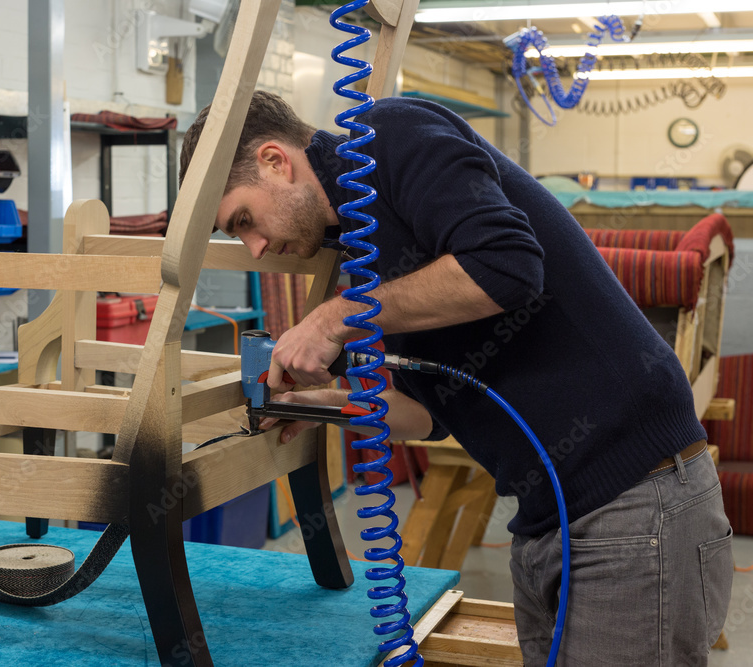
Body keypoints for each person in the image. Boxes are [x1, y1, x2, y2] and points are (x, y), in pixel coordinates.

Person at [179, 91, 733, 665]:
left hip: (633, 499)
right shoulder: (365, 251)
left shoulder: (388, 133)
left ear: (275, 160)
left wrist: (337, 316)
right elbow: (427, 415)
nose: (257, 247)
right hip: (548, 518)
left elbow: (508, 265)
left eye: (244, 220)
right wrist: (318, 405)